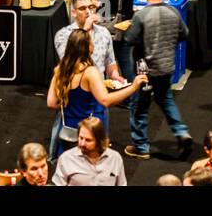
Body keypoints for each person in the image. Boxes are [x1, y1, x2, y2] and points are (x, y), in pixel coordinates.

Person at [124, 0, 194, 159]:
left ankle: (141, 146)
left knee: (139, 106)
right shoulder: (173, 12)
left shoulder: (142, 15)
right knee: (166, 99)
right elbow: (184, 34)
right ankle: (181, 133)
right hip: (166, 66)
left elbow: (129, 39)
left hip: (144, 69)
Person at [47, 28, 143, 157]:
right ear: (86, 47)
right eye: (91, 43)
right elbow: (105, 100)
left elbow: (51, 103)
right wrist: (133, 87)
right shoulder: (89, 72)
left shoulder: (60, 70)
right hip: (89, 135)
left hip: (68, 134)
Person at [52, 116, 126, 186]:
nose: (82, 143)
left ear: (99, 141)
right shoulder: (66, 159)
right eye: (81, 138)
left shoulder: (115, 158)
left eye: (88, 140)